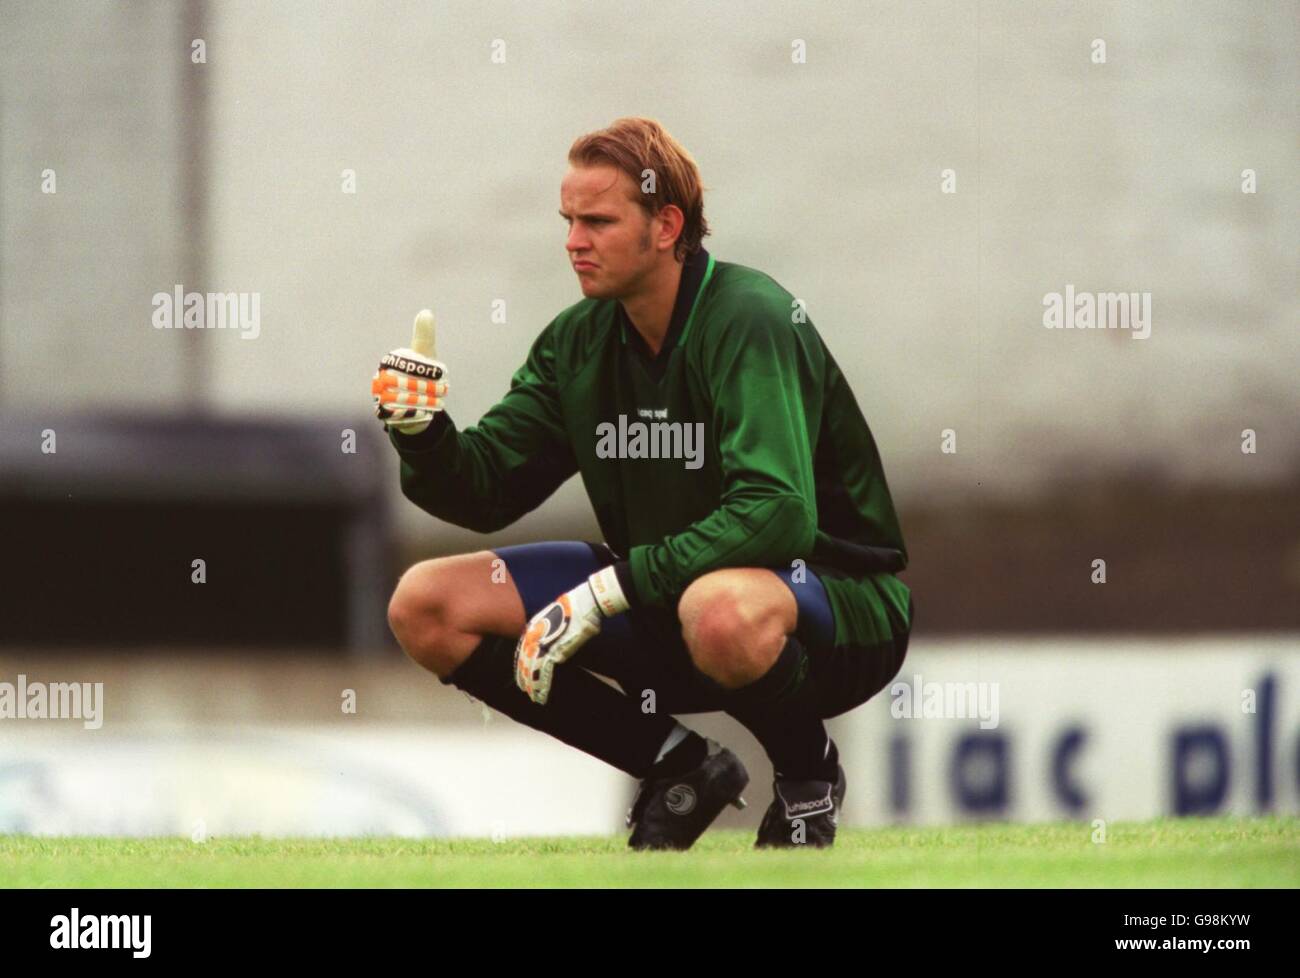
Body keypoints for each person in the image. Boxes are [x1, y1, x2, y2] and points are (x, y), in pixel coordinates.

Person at [373, 117, 912, 850]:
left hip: (833, 605)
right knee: (425, 604)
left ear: (666, 225)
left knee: (719, 608)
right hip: (662, 599)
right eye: (567, 220)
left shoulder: (748, 316)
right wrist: (422, 434)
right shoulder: (579, 340)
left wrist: (611, 588)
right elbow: (484, 491)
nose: (572, 241)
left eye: (597, 220)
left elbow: (777, 513)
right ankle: (676, 766)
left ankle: (806, 774)